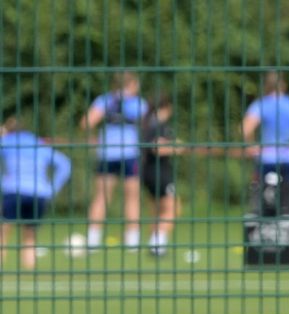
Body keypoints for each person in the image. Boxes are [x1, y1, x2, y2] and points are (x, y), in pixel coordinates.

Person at [80, 71, 147, 251]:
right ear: (132, 84)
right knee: (132, 198)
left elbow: (86, 122)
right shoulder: (138, 103)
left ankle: (93, 240)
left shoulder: (105, 100)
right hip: (129, 153)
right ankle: (132, 241)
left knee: (101, 197)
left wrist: (94, 139)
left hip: (107, 153)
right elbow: (149, 125)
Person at [240, 71, 289, 215]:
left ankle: (265, 218)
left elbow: (245, 128)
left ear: (266, 86)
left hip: (266, 158)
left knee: (264, 196)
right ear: (283, 85)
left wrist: (251, 146)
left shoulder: (261, 104)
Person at [1, 117, 71, 270]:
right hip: (38, 192)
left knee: (3, 232)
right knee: (30, 235)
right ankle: (29, 270)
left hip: (14, 190)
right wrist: (51, 188)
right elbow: (65, 164)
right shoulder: (38, 143)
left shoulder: (7, 142)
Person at [138, 93, 184, 257]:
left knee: (157, 210)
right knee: (173, 208)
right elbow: (157, 147)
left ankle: (156, 244)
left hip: (146, 171)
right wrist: (175, 147)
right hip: (160, 172)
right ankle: (157, 242)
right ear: (166, 107)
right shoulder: (160, 125)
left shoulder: (146, 124)